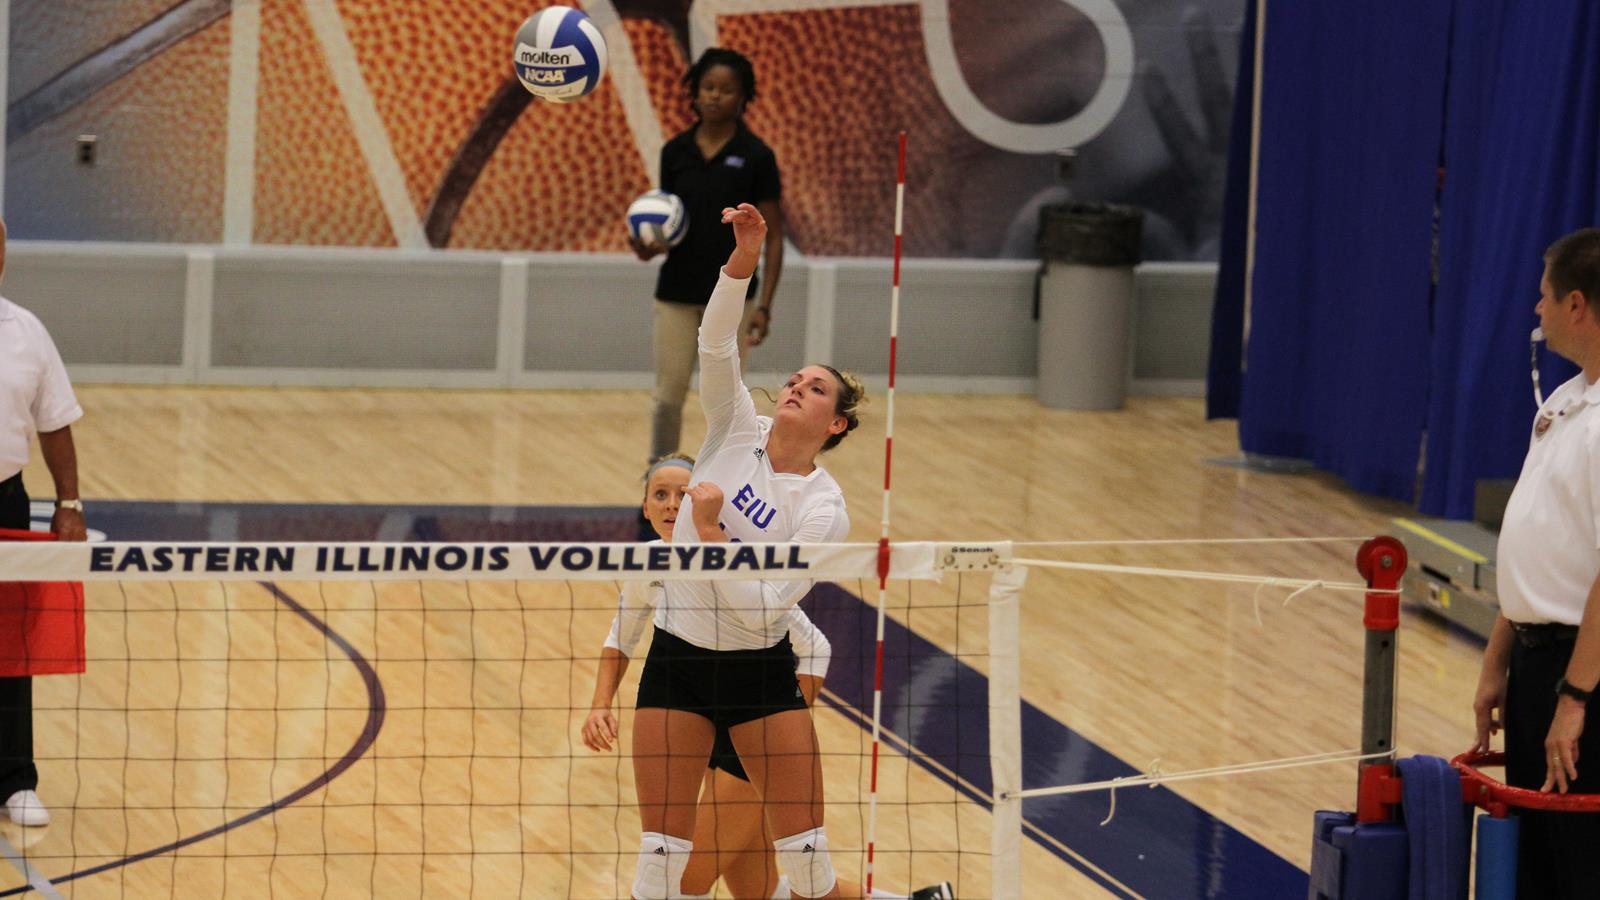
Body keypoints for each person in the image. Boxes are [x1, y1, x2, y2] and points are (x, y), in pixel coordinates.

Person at [623, 202, 861, 900]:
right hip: (678, 660)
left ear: (835, 422)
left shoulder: (822, 510)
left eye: (815, 388)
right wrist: (745, 257)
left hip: (759, 675)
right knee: (659, 868)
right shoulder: (735, 426)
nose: (795, 387)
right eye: (794, 379)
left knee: (811, 874)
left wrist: (716, 536)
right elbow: (715, 340)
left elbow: (764, 615)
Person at [583, 455, 953, 900]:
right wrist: (600, 705)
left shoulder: (725, 566)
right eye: (659, 495)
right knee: (755, 889)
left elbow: (816, 647)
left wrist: (779, 720)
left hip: (748, 740)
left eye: (683, 494)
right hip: (693, 721)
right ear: (644, 507)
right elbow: (618, 638)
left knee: (688, 881)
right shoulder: (649, 565)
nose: (671, 504)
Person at [1473, 227, 1600, 899]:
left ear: (1577, 305)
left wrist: (1574, 700)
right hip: (1534, 661)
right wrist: (1499, 660)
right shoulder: (1563, 402)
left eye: (1545, 296)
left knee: (1579, 858)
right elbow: (1538, 544)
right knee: (1531, 862)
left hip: (1584, 670)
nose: (1535, 309)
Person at [634, 47, 785, 462]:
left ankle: (726, 475)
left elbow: (774, 236)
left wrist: (765, 306)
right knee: (667, 396)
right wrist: (647, 246)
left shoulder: (757, 156)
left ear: (743, 97)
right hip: (676, 293)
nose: (716, 96)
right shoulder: (675, 152)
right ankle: (659, 478)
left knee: (725, 400)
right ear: (695, 93)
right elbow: (670, 225)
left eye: (726, 89)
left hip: (734, 295)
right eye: (708, 87)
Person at [0, 217, 86, 827]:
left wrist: (69, 503)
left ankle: (14, 780)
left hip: (2, 502)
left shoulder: (25, 329)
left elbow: (55, 420)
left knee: (10, 646)